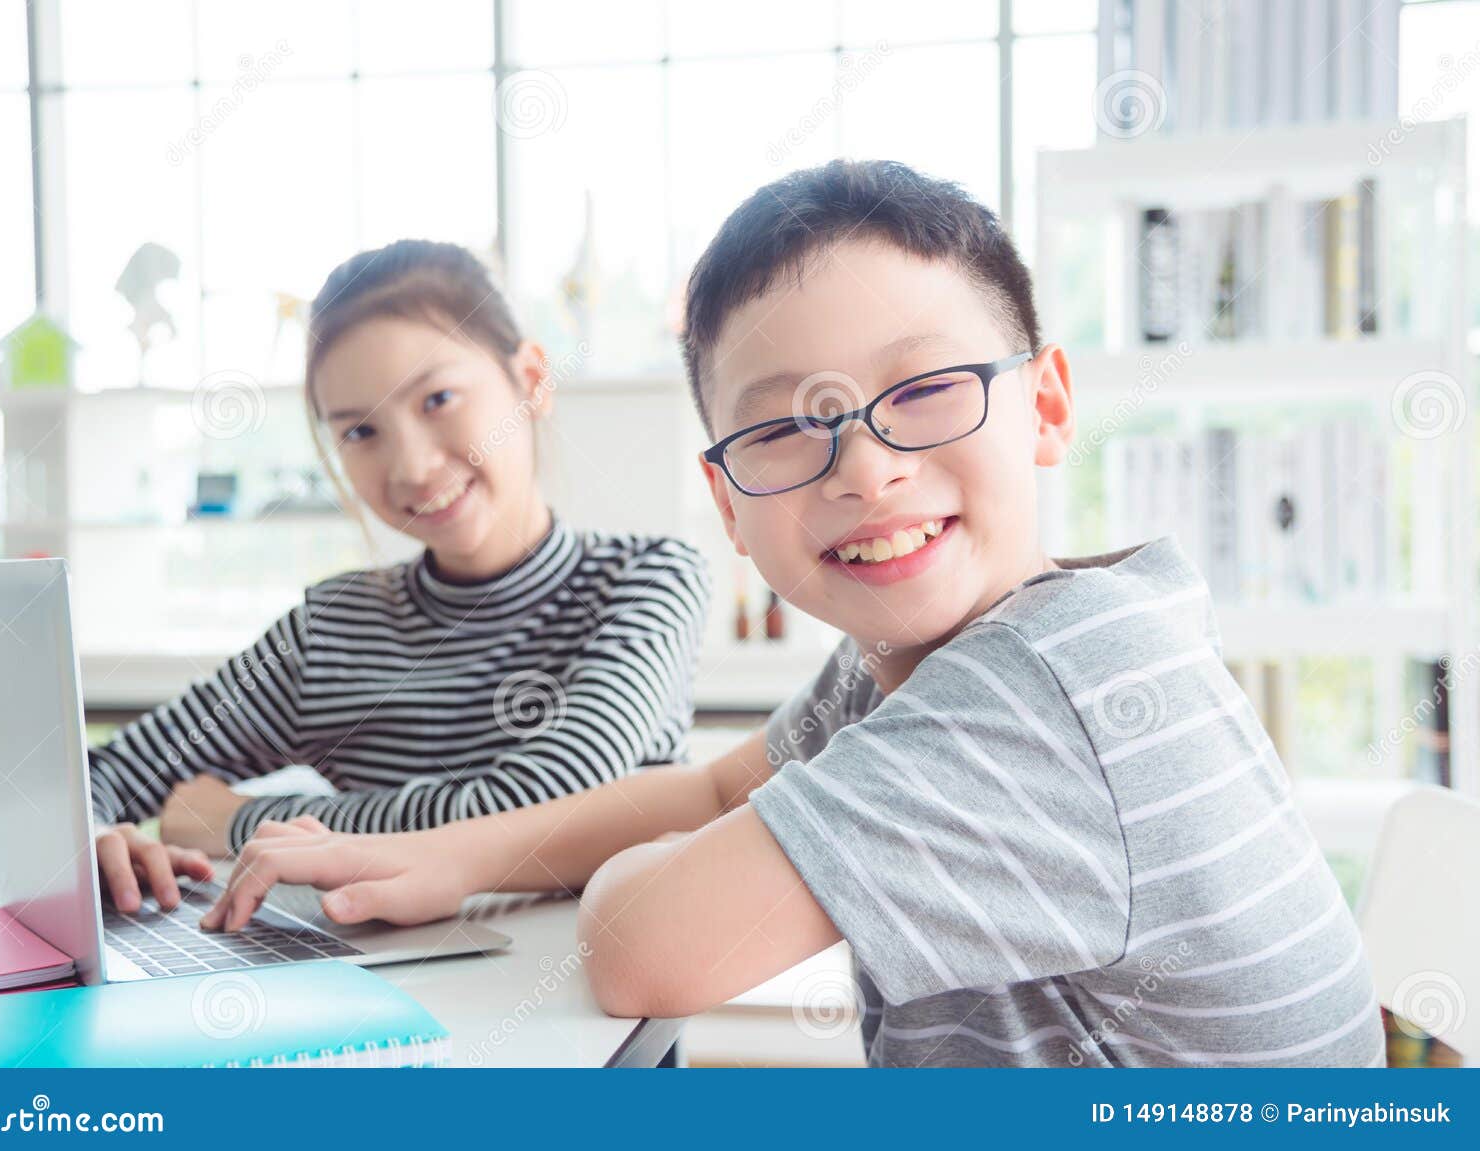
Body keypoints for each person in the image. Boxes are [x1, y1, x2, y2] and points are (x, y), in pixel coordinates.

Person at [202, 163, 1381, 1068]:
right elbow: (716, 792)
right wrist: (437, 860)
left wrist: (644, 871)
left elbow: (640, 951)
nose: (863, 469)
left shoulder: (1056, 684)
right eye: (778, 429)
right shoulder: (914, 659)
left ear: (1046, 406)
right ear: (725, 498)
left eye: (922, 391)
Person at [87, 240, 710, 916]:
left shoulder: (649, 581)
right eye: (360, 433)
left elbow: (538, 804)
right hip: (379, 1003)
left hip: (596, 1007)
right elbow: (98, 778)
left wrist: (234, 819)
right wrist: (97, 837)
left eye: (438, 398)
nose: (411, 467)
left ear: (531, 380)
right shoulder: (331, 633)